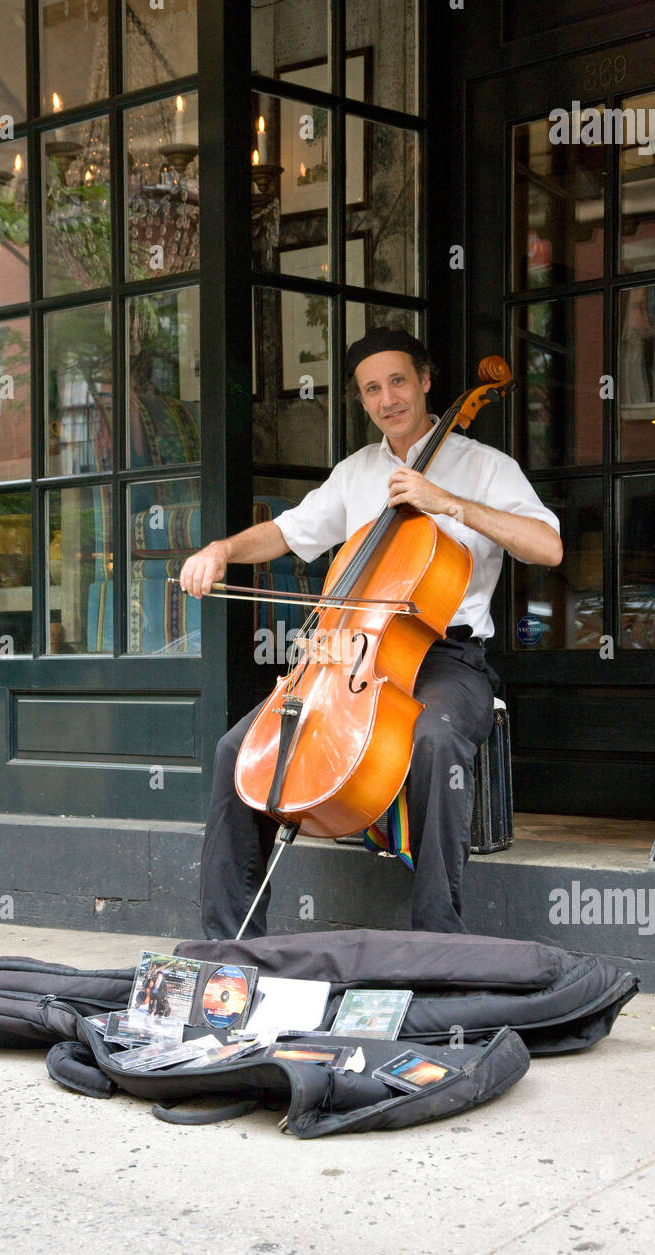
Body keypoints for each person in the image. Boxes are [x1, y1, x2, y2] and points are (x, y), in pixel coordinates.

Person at [180, 327, 563, 939]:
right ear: (362, 400)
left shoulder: (487, 467)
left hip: (447, 656)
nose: (389, 399)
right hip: (352, 653)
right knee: (237, 752)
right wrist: (222, 550)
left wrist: (448, 504)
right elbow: (287, 531)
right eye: (372, 389)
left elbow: (547, 546)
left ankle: (437, 938)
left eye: (399, 381)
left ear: (426, 381)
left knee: (434, 739)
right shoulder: (356, 472)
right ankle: (229, 947)